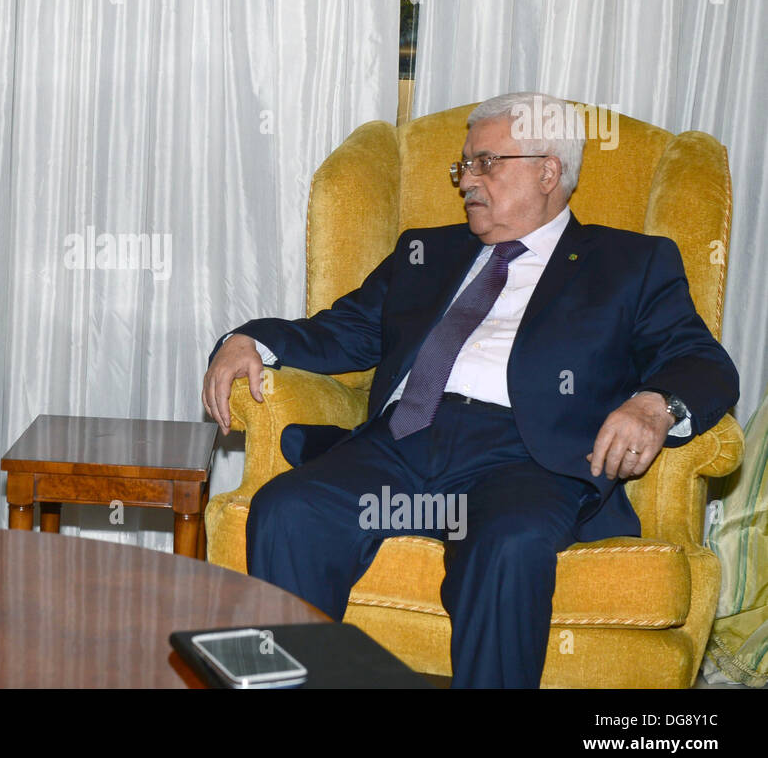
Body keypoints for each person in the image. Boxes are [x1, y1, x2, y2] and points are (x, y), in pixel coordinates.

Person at [201, 91, 739, 688]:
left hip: (527, 460)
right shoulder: (425, 251)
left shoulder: (629, 262)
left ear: (548, 171)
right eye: (464, 166)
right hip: (402, 441)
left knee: (507, 546)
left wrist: (653, 404)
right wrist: (251, 340)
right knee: (289, 510)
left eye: (486, 163)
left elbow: (702, 361)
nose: (466, 181)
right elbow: (343, 331)